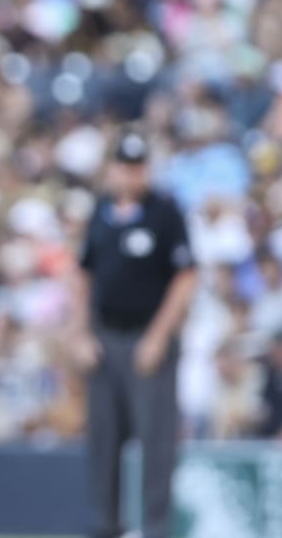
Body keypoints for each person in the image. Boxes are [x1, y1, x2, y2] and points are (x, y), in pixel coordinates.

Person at [71, 131, 198, 538]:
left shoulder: (165, 213)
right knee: (104, 439)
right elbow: (83, 275)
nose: (130, 174)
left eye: (137, 166)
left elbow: (185, 277)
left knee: (156, 440)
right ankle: (104, 525)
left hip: (148, 338)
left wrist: (159, 336)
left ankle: (156, 528)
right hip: (105, 338)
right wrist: (80, 332)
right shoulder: (100, 212)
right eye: (123, 166)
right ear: (111, 169)